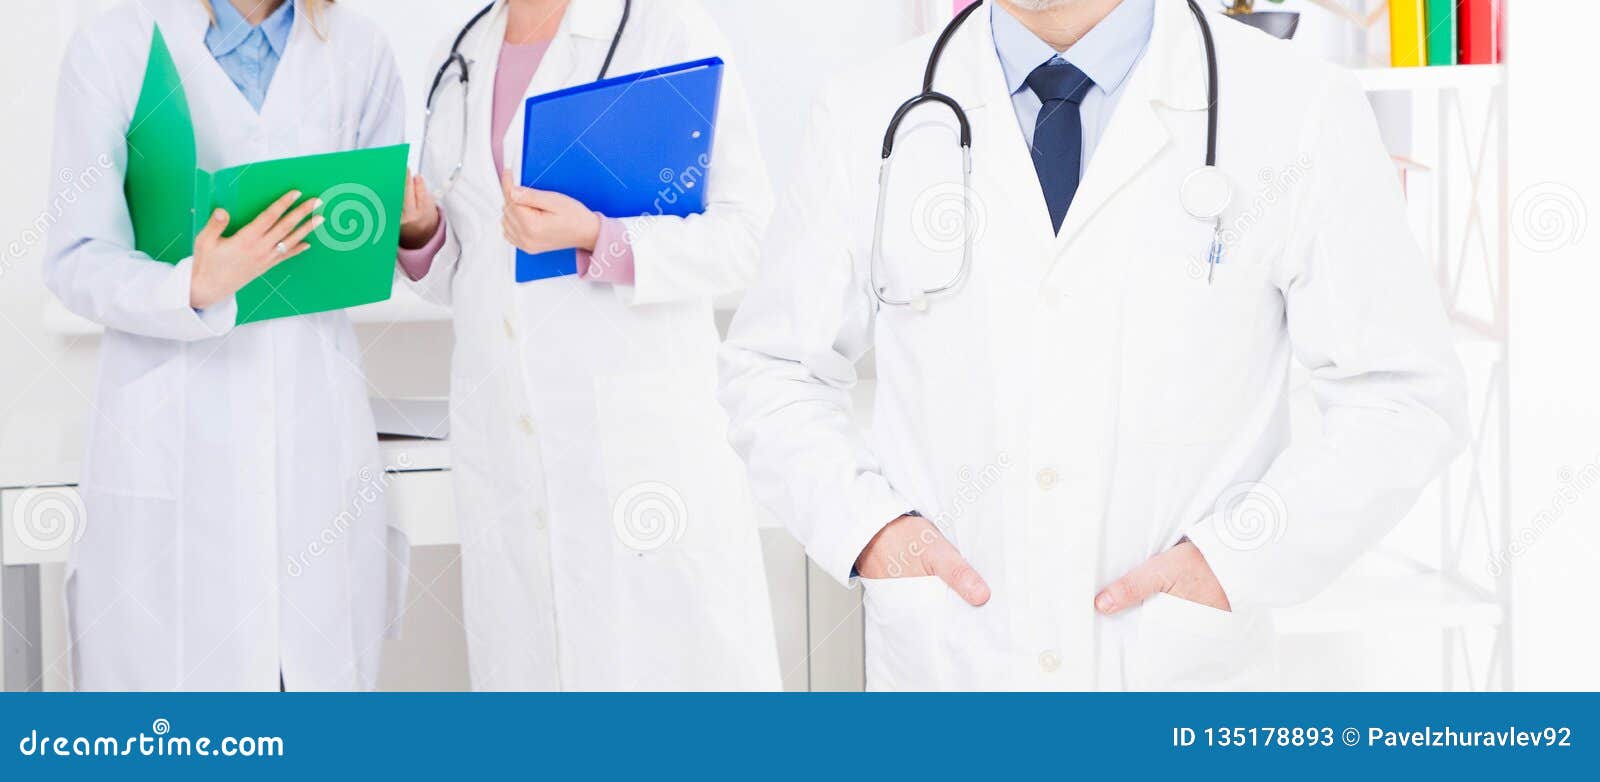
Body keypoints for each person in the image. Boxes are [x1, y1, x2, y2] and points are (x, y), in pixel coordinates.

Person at [719, 0, 1469, 690]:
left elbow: (1403, 397)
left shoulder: (1297, 105)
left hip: (1177, 675)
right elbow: (773, 369)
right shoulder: (866, 109)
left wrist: (1233, 560)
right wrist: (872, 532)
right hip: (951, 669)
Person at [399, 0, 780, 690]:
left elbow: (748, 237)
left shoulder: (666, 29)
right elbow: (473, 270)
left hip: (639, 442)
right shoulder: (461, 50)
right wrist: (421, 231)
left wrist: (599, 238)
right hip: (506, 435)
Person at [45, 0, 409, 691]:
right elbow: (74, 256)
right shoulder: (114, 46)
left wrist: (410, 227)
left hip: (313, 427)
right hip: (171, 432)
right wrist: (191, 285)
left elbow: (376, 241)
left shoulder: (359, 49)